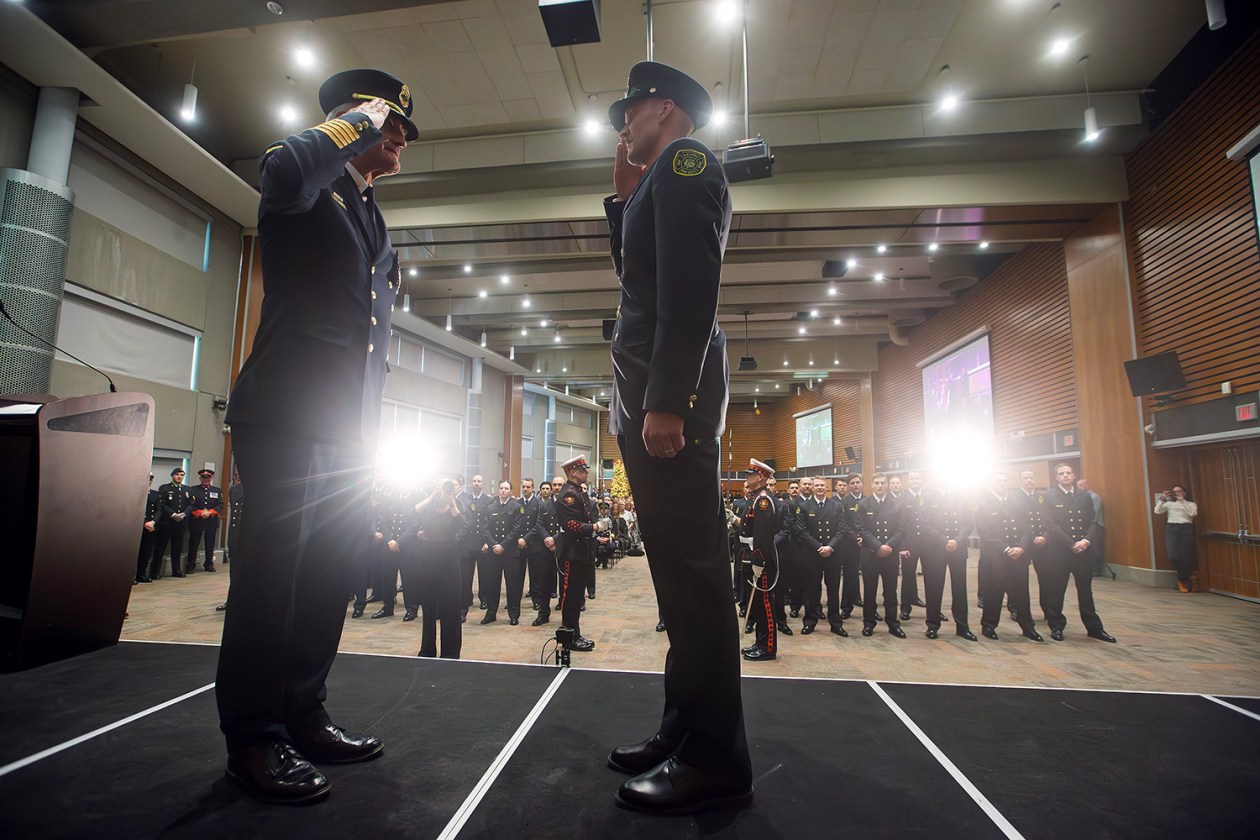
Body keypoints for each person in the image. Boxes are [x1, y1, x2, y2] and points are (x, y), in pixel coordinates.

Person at [217, 68, 417, 805]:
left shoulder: (368, 212)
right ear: (350, 121)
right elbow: (281, 168)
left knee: (328, 574)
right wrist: (351, 124)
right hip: (288, 414)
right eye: (386, 122)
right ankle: (255, 736)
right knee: (272, 577)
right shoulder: (308, 183)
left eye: (399, 127)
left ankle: (303, 711)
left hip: (345, 427)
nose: (397, 136)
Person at [602, 60, 752, 815]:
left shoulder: (689, 163)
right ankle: (683, 729)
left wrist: (667, 402)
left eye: (629, 112)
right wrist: (624, 191)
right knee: (676, 583)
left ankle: (717, 759)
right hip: (650, 403)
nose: (621, 125)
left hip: (672, 409)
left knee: (696, 583)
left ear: (663, 106)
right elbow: (641, 280)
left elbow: (691, 292)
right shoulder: (655, 179)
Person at [1040, 464, 1115, 643]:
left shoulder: (1084, 496)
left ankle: (1094, 627)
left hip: (1083, 551)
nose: (1065, 476)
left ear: (1074, 476)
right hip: (1060, 551)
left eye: (1068, 473)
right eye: (1061, 474)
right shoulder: (1048, 496)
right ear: (1056, 477)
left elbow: (1093, 521)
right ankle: (1056, 626)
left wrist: (1086, 540)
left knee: (1085, 591)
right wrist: (1070, 543)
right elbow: (1050, 525)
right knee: (1057, 590)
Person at [976, 472, 1043, 642]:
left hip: (1019, 555)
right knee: (994, 591)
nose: (1002, 484)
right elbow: (985, 532)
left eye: (1005, 481)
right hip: (997, 555)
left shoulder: (1018, 502)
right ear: (992, 483)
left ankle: (1028, 627)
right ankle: (988, 625)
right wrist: (1006, 549)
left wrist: (1021, 547)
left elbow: (1028, 528)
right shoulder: (984, 504)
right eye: (999, 481)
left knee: (1021, 592)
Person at [410, 478, 465, 658]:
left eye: (446, 487)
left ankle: (450, 652)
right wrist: (432, 495)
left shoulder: (457, 505)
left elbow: (463, 526)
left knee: (451, 608)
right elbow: (413, 512)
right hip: (428, 561)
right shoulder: (429, 506)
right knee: (428, 607)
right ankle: (427, 649)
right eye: (440, 486)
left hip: (449, 562)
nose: (443, 490)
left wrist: (451, 502)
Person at [554, 457, 601, 651]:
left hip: (581, 550)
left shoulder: (579, 493)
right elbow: (570, 525)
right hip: (572, 551)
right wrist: (594, 527)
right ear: (573, 472)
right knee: (571, 595)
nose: (586, 472)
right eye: (582, 469)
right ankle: (570, 636)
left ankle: (575, 633)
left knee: (577, 595)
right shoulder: (568, 495)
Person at [740, 459, 781, 661]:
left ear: (761, 477)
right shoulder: (755, 497)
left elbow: (763, 534)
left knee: (765, 604)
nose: (747, 477)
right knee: (756, 603)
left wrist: (759, 560)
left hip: (760, 556)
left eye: (751, 474)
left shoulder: (763, 500)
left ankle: (768, 647)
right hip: (751, 553)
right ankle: (760, 642)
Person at [855, 474, 906, 638]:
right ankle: (869, 623)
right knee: (870, 591)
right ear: (871, 485)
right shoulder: (863, 504)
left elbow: (901, 529)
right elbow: (861, 528)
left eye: (883, 483)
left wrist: (888, 546)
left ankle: (893, 624)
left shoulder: (897, 504)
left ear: (887, 485)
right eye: (876, 483)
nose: (880, 486)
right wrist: (878, 546)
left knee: (891, 591)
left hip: (890, 554)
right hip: (871, 554)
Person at [482, 480, 525, 625]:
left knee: (512, 584)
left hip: (510, 551)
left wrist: (503, 545)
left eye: (506, 488)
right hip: (494, 551)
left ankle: (514, 614)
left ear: (511, 491)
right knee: (492, 583)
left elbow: (517, 529)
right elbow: (485, 528)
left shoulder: (516, 507)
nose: (503, 491)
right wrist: (494, 545)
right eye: (501, 488)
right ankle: (491, 612)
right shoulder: (490, 507)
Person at [1156, 485, 1199, 591]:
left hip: (1186, 528)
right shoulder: (1170, 504)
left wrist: (1183, 501)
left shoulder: (1191, 504)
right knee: (1173, 556)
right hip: (1172, 528)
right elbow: (1157, 511)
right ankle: (1186, 577)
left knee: (1186, 555)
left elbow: (1192, 514)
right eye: (1175, 492)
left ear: (1185, 493)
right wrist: (1161, 500)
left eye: (1179, 491)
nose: (1177, 493)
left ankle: (1183, 579)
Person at [153, 467, 192, 578]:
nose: (179, 477)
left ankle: (176, 570)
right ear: (172, 476)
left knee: (177, 547)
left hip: (181, 522)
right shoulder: (165, 488)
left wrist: (183, 514)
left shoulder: (187, 489)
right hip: (167, 522)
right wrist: (173, 514)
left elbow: (191, 504)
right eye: (177, 475)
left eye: (182, 475)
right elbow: (162, 504)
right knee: (160, 547)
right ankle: (155, 571)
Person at [186, 468, 224, 573]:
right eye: (203, 477)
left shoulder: (217, 490)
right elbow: (190, 505)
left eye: (208, 477)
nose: (206, 479)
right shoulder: (193, 490)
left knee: (210, 543)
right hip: (197, 520)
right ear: (200, 478)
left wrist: (210, 512)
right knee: (194, 543)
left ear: (211, 478)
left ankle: (209, 564)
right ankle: (190, 564)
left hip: (211, 521)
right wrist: (200, 513)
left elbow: (220, 505)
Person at [135, 473, 159, 583]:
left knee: (146, 551)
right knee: (134, 552)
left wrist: (153, 522)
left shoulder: (155, 494)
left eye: (150, 479)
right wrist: (145, 522)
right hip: (136, 527)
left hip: (151, 527)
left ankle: (141, 574)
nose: (148, 481)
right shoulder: (134, 493)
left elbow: (160, 510)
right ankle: (131, 575)